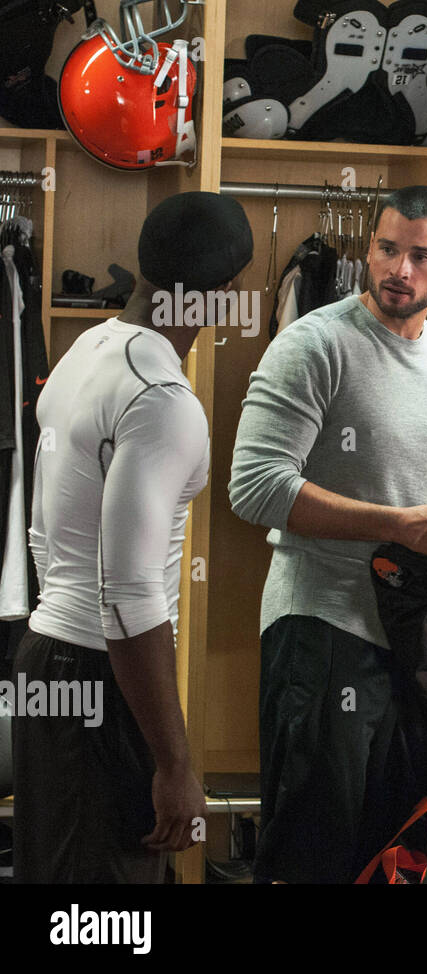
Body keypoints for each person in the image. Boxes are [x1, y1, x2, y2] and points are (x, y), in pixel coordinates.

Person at [229, 184, 427, 884]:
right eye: (387, 248)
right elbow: (254, 486)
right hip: (320, 624)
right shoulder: (314, 344)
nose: (399, 269)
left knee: (395, 848)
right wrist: (398, 525)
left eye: (421, 256)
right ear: (368, 249)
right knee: (313, 851)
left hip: (410, 639)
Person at [12, 191, 254, 882]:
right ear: (222, 294)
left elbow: (42, 535)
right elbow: (127, 593)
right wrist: (177, 764)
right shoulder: (162, 401)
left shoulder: (84, 351)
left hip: (46, 656)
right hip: (100, 667)